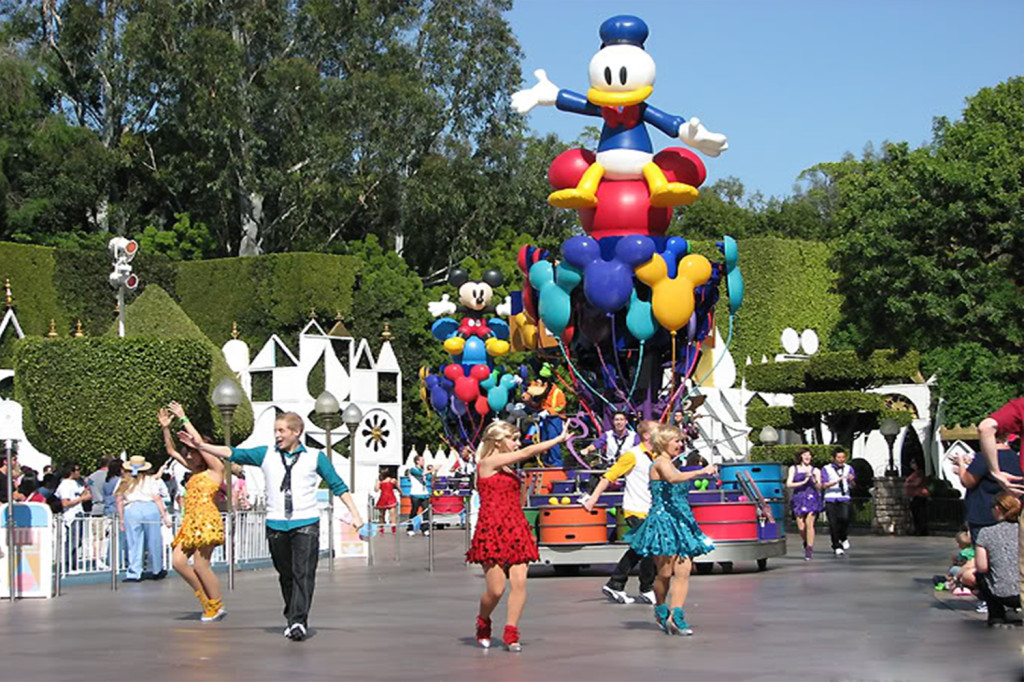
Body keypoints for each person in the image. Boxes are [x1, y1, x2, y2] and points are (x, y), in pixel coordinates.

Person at [179, 410, 363, 642]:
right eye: (275, 430)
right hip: (276, 524)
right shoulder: (265, 454)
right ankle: (292, 614)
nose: (277, 435)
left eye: (282, 430)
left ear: (296, 432)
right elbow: (232, 453)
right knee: (286, 575)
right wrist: (202, 446)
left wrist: (355, 513)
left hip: (305, 523)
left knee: (303, 574)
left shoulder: (315, 457)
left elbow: (338, 485)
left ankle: (298, 621)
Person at [467, 419, 570, 652]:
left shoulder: (508, 469)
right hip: (492, 529)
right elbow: (526, 452)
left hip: (515, 527)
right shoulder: (487, 463)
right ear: (497, 441)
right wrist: (556, 440)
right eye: (512, 439)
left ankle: (511, 632)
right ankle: (483, 620)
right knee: (496, 589)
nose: (516, 443)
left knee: (520, 582)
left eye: (516, 439)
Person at [628, 424, 717, 636]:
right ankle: (660, 607)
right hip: (663, 522)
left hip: (682, 519)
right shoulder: (659, 463)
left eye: (681, 441)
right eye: (676, 441)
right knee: (665, 573)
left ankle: (676, 615)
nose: (680, 444)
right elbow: (673, 479)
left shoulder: (673, 463)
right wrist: (701, 471)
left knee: (684, 569)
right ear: (664, 442)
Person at [159, 404, 227, 622]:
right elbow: (171, 451)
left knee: (200, 565)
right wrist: (166, 429)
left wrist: (185, 418)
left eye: (193, 452)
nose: (189, 455)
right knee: (178, 562)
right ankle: (205, 600)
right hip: (191, 522)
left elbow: (204, 449)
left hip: (206, 520)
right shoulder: (195, 472)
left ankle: (216, 604)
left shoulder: (215, 470)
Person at [582, 420, 658, 605]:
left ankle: (616, 583)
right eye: (658, 431)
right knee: (648, 547)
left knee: (640, 548)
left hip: (651, 509)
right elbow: (609, 476)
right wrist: (593, 499)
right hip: (636, 509)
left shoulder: (658, 456)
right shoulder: (632, 455)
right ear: (647, 435)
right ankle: (646, 588)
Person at [115, 456, 171, 582]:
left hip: (132, 509)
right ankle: (157, 569)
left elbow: (118, 500)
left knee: (133, 542)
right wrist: (164, 516)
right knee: (154, 540)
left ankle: (134, 572)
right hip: (150, 508)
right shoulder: (150, 480)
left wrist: (122, 519)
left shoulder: (123, 482)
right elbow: (157, 498)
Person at [975, 492, 1022, 627]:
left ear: (997, 509)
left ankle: (996, 615)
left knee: (980, 575)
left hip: (1002, 593)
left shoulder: (986, 532)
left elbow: (982, 566)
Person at [521, 363, 568, 466]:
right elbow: (538, 406)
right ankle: (546, 462)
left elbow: (561, 406)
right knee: (543, 441)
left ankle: (556, 463)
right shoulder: (544, 395)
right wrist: (529, 402)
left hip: (555, 420)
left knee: (553, 440)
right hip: (545, 420)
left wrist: (548, 412)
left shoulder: (557, 392)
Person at [786, 448, 822, 561]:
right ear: (800, 456)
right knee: (801, 527)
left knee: (809, 523)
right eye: (805, 455)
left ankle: (809, 549)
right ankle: (806, 542)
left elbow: (819, 486)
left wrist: (812, 479)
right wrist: (803, 481)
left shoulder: (815, 470)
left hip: (812, 497)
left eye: (809, 455)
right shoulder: (793, 468)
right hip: (799, 497)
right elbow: (789, 484)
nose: (807, 457)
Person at [55, 462, 91, 570]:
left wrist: (87, 488)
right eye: (77, 470)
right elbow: (65, 503)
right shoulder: (65, 485)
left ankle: (73, 564)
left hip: (78, 513)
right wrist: (82, 499)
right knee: (72, 541)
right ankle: (67, 564)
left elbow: (83, 494)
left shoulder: (75, 484)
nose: (79, 472)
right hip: (72, 515)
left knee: (78, 541)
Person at [821, 447, 856, 556]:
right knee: (833, 523)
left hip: (844, 497)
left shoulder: (849, 468)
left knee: (844, 518)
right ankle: (836, 545)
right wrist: (837, 481)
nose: (841, 460)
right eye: (839, 457)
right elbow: (824, 484)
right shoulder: (826, 469)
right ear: (833, 458)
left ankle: (843, 536)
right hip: (831, 498)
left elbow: (853, 485)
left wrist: (851, 480)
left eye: (843, 457)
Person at [407, 454, 433, 537]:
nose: (423, 462)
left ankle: (425, 529)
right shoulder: (413, 470)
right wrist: (431, 470)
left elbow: (430, 478)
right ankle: (410, 528)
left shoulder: (424, 470)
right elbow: (421, 474)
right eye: (422, 460)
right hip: (415, 493)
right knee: (414, 511)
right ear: (417, 461)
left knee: (426, 511)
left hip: (424, 493)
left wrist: (434, 472)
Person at [904, 459, 929, 536]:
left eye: (913, 463)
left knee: (919, 514)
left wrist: (908, 483)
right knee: (915, 514)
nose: (912, 464)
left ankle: (921, 530)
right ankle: (917, 529)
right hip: (914, 495)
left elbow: (917, 482)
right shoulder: (914, 473)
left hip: (919, 495)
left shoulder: (919, 473)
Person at [375, 468, 399, 532]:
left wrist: (401, 492)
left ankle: (393, 527)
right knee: (382, 514)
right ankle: (382, 527)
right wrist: (377, 483)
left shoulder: (392, 480)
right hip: (384, 497)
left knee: (391, 513)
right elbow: (376, 490)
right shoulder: (381, 481)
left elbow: (398, 487)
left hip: (389, 497)